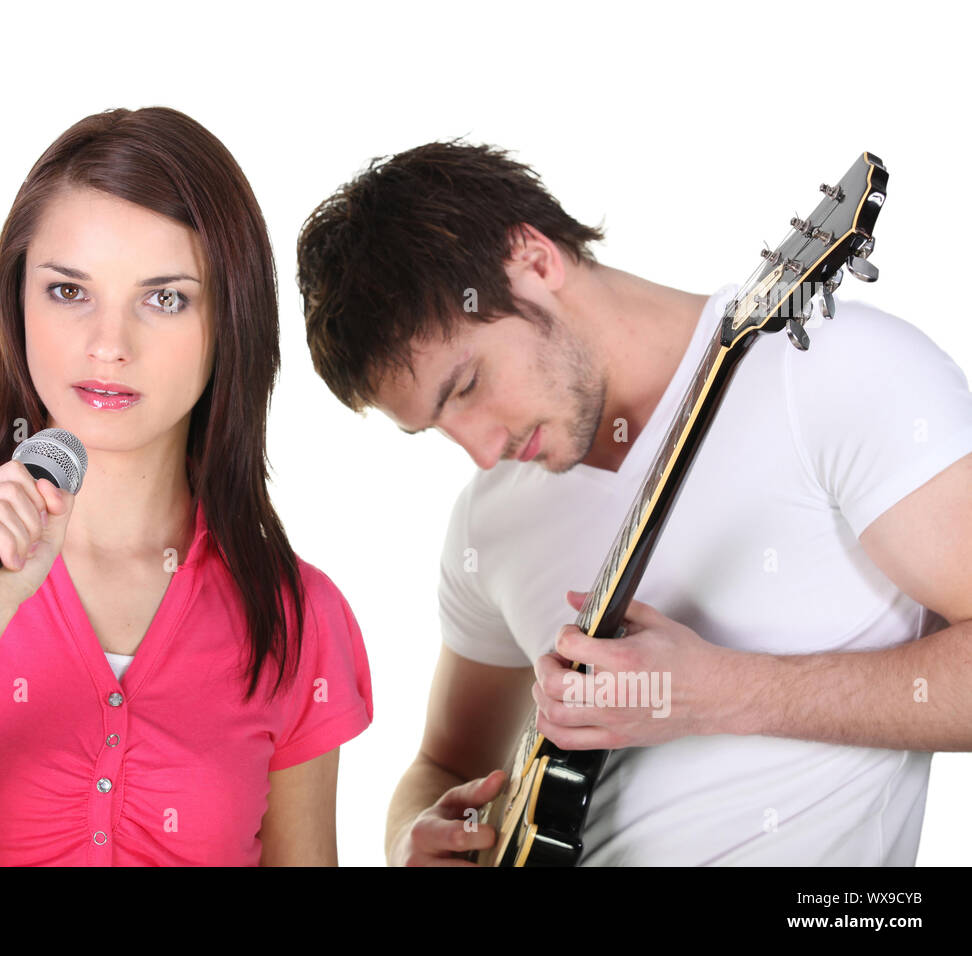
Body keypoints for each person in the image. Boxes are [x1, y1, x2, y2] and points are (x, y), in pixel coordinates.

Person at [295, 140, 972, 865]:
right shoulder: (488, 520)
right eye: (435, 427)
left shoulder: (836, 373)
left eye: (465, 387)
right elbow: (445, 762)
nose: (480, 451)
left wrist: (729, 693)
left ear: (534, 261)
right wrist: (409, 834)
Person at [0, 107, 373, 866]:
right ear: (17, 302)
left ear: (230, 320)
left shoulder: (297, 616)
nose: (109, 346)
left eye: (164, 298)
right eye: (69, 292)